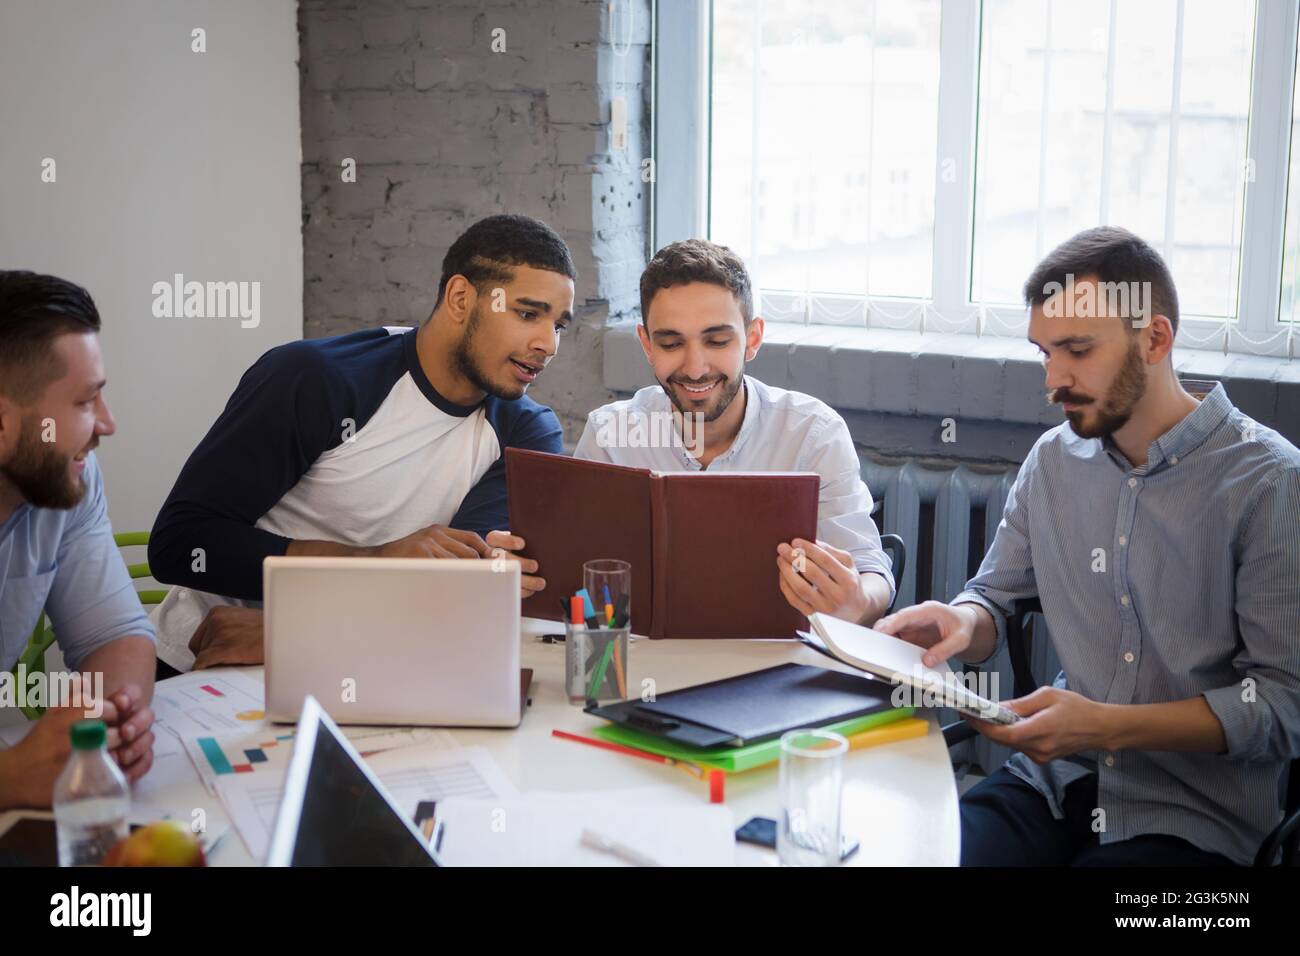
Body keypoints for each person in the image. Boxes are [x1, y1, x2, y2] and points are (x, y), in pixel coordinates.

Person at [877, 226, 1300, 866]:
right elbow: (996, 598)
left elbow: (1282, 706)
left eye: (1077, 349)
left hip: (1197, 822)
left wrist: (1103, 724)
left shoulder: (1267, 481)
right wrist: (960, 622)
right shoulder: (1054, 461)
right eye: (1044, 352)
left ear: (1155, 339)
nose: (1054, 379)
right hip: (1055, 785)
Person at [148, 214, 577, 671]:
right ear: (459, 299)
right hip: (202, 659)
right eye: (527, 314)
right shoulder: (316, 379)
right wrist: (375, 561)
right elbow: (181, 545)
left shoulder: (527, 433)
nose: (547, 344)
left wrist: (300, 631)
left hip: (363, 658)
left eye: (560, 326)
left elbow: (454, 589)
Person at [574, 239, 894, 626]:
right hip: (645, 662)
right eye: (671, 343)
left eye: (717, 341)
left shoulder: (814, 432)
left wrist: (859, 601)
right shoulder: (610, 436)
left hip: (777, 664)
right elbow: (581, 584)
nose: (694, 369)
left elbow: (868, 568)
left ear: (752, 339)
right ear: (646, 344)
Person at [0, 271, 157, 808]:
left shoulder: (69, 480)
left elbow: (117, 636)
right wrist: (11, 776)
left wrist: (109, 725)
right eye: (85, 402)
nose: (108, 425)